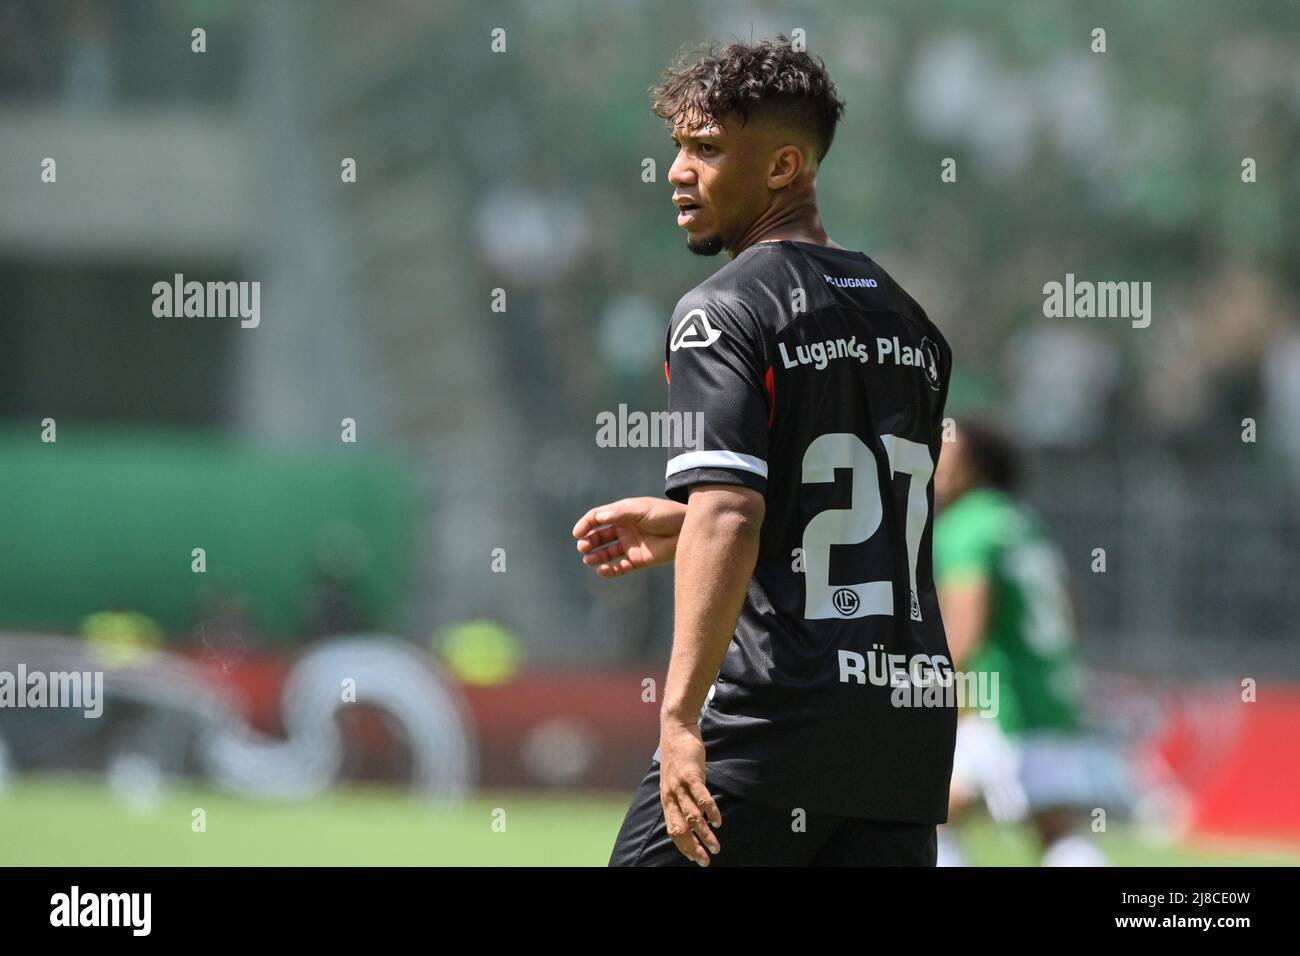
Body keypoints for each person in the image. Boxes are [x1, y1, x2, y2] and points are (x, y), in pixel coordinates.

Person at [572, 37, 955, 865]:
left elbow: (734, 511)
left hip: (775, 720)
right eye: (677, 148)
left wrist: (678, 720)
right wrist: (686, 522)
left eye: (706, 149)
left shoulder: (723, 310)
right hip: (904, 726)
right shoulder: (912, 323)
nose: (677, 171)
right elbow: (855, 508)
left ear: (784, 167)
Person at [932, 418, 1108, 866]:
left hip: (1000, 703)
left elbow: (965, 632)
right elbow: (1072, 615)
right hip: (1051, 698)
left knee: (924, 819)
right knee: (1056, 832)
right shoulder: (1022, 520)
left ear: (975, 466)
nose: (936, 466)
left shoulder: (969, 526)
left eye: (947, 455)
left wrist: (926, 697)